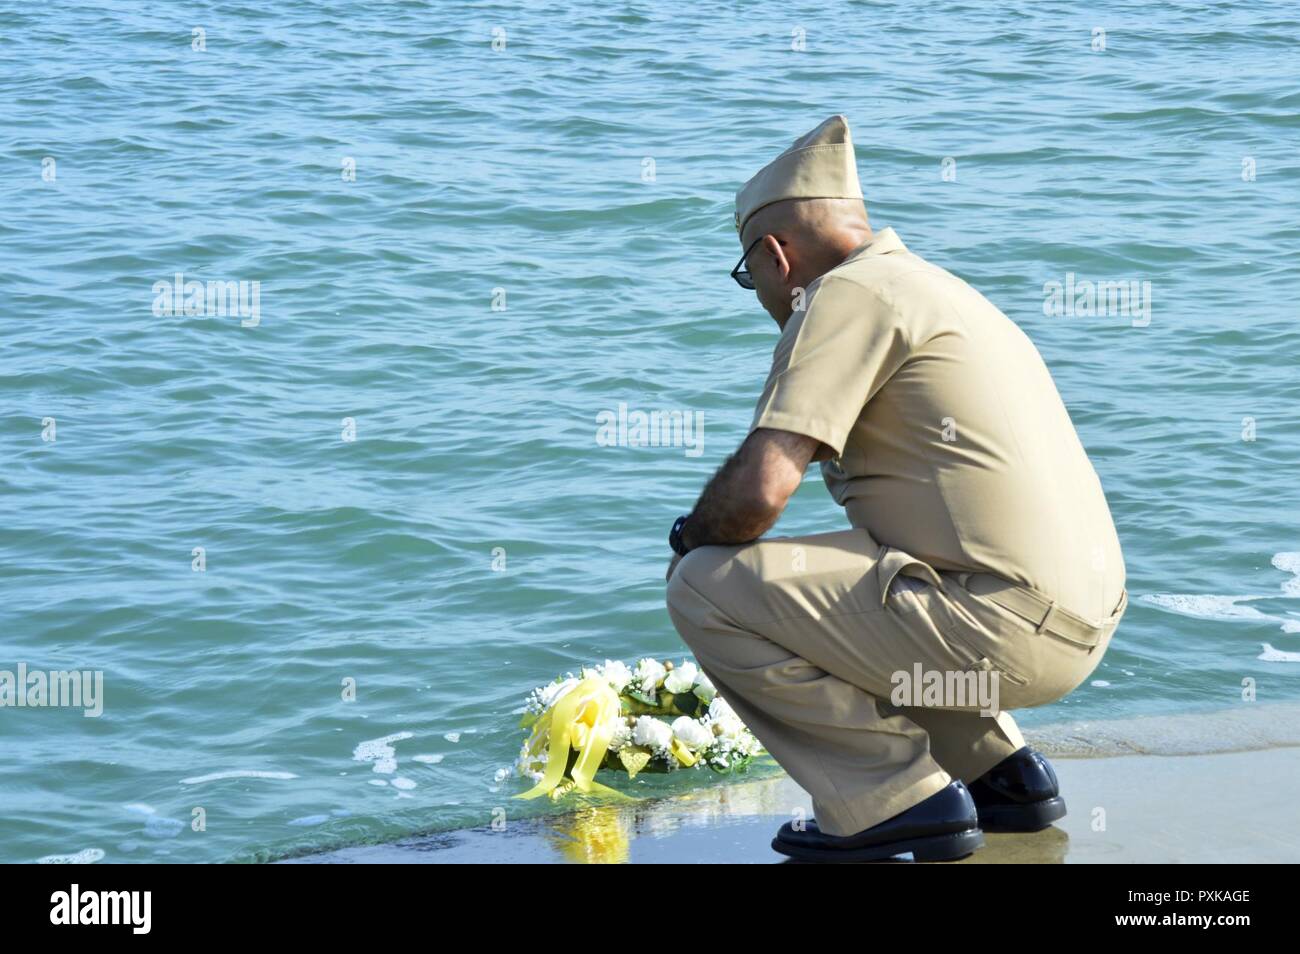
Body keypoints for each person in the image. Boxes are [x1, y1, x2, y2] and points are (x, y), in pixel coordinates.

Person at [664, 115, 1127, 862]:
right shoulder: (940, 289)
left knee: (705, 585)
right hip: (1078, 623)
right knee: (878, 573)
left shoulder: (843, 296)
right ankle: (1002, 776)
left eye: (749, 275)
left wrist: (689, 536)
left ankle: (889, 801)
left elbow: (758, 495)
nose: (761, 294)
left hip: (1003, 629)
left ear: (775, 254)